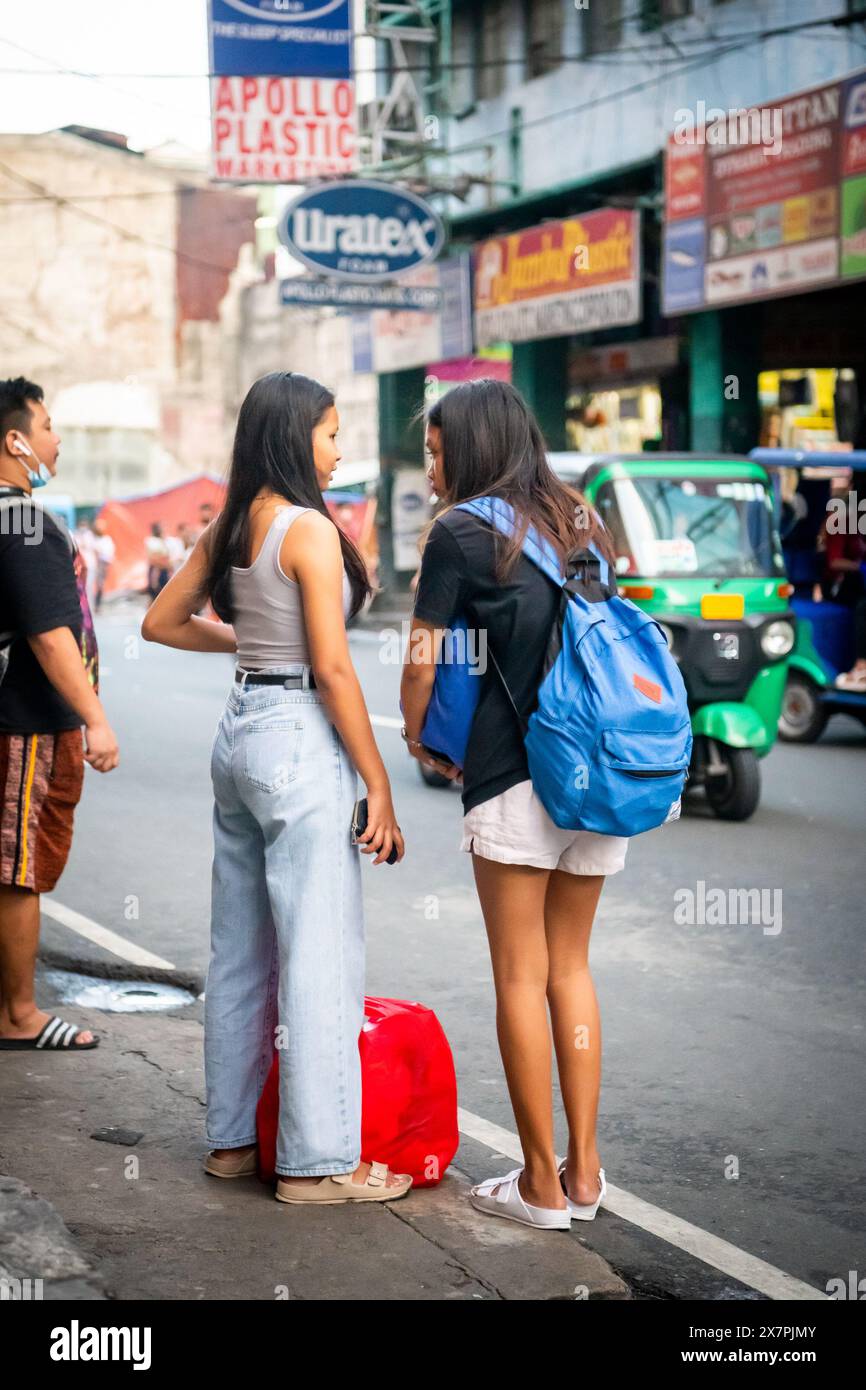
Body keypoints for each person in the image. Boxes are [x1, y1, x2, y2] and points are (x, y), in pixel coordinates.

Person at [142, 370, 411, 1205]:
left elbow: (159, 621)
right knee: (319, 954)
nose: (339, 450)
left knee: (242, 952)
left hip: (240, 737)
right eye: (331, 433)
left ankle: (230, 1145)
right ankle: (317, 1162)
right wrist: (380, 785)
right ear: (298, 436)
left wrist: (247, 648)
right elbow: (332, 668)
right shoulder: (308, 531)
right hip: (298, 737)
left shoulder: (232, 525)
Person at [400, 378, 628, 1231]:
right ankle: (586, 1171)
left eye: (435, 449)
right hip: (598, 775)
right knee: (571, 969)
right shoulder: (583, 521)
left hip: (515, 773)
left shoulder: (460, 533)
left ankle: (538, 1184)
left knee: (519, 976)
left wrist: (416, 734)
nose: (430, 467)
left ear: (470, 448)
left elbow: (422, 659)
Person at [0, 377, 119, 1052]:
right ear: (16, 441)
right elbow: (51, 636)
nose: (58, 437)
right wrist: (96, 719)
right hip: (24, 723)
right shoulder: (21, 520)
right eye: (47, 425)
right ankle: (18, 1015)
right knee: (18, 867)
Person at [91, 516, 115, 613]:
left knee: (100, 585)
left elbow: (108, 553)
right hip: (96, 564)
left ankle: (97, 604)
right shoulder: (92, 539)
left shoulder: (106, 539)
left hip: (103, 564)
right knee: (96, 585)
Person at [145, 522, 172, 598]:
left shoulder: (162, 541)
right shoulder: (152, 541)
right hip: (157, 571)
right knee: (156, 594)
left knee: (164, 594)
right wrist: (165, 565)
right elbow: (153, 559)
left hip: (163, 571)